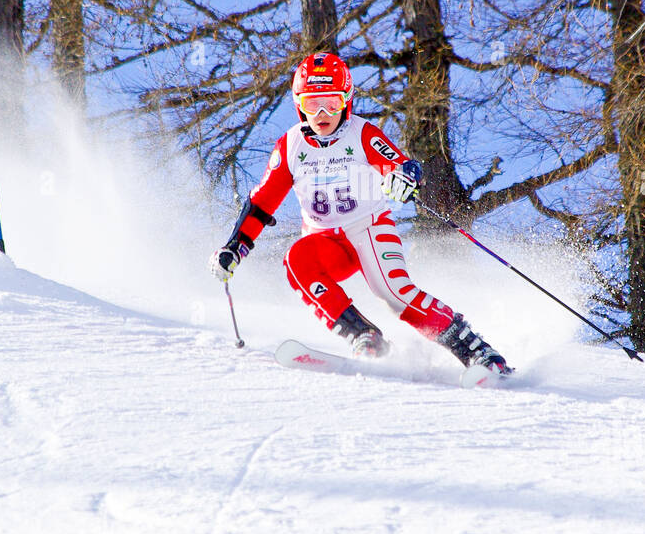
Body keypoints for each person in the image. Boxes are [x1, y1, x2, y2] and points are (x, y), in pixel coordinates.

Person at [209, 52, 512, 375]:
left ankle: (477, 351)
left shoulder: (361, 133)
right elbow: (261, 202)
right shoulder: (290, 146)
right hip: (324, 241)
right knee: (297, 261)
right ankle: (364, 335)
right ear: (299, 105)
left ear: (346, 101)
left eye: (331, 102)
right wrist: (234, 247)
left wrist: (403, 177)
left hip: (368, 230)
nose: (323, 113)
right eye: (313, 104)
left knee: (393, 293)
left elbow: (401, 164)